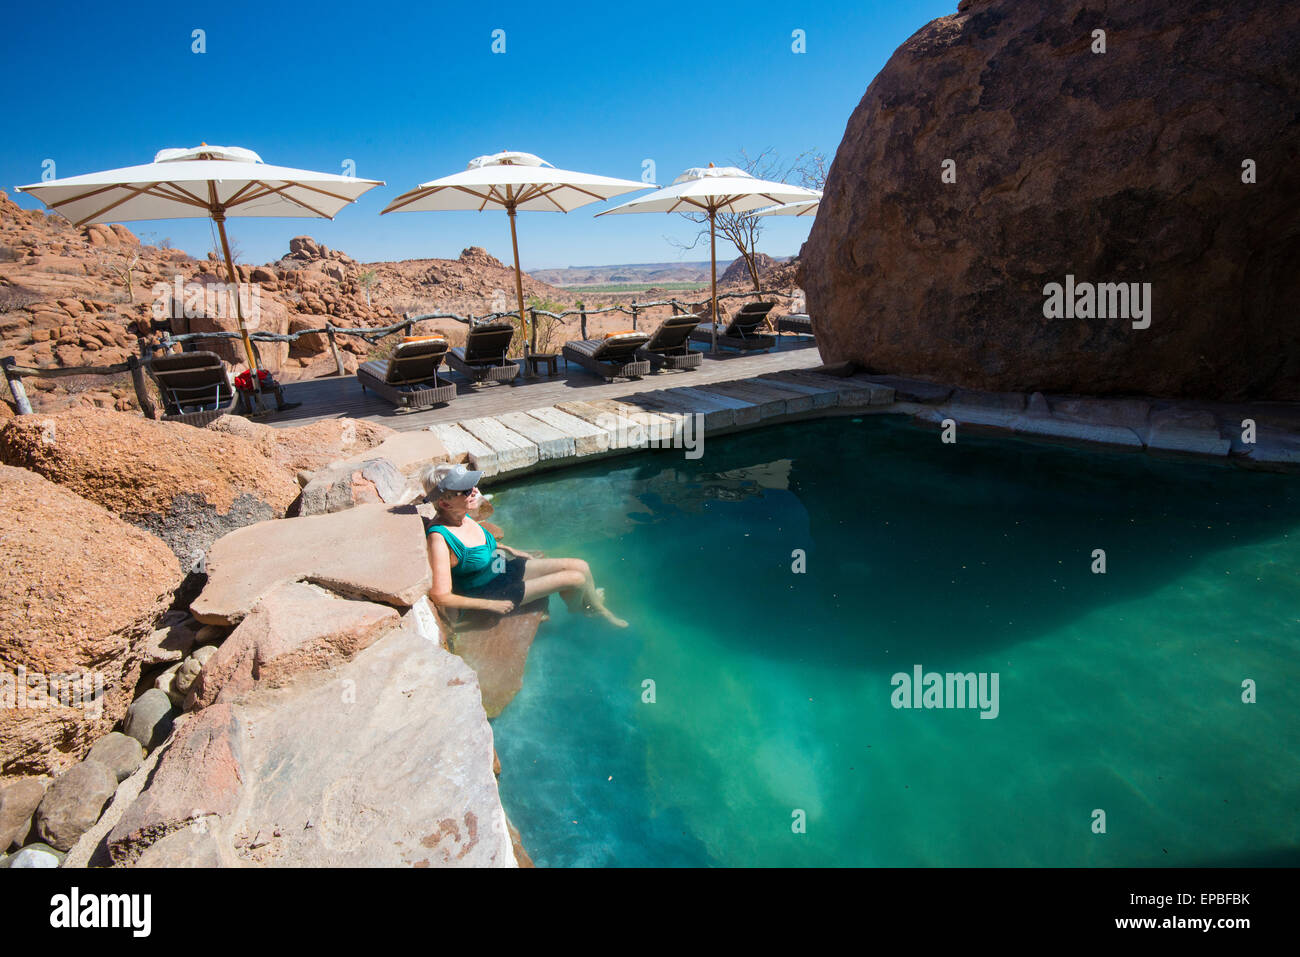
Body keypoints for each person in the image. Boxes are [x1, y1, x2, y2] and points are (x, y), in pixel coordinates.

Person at [421, 463, 627, 627]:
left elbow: (477, 546)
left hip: (500, 569)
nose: (475, 491)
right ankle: (579, 612)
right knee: (574, 579)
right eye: (465, 490)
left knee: (580, 565)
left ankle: (597, 608)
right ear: (445, 503)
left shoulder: (462, 515)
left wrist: (508, 548)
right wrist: (491, 605)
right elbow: (441, 596)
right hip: (489, 592)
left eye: (472, 485)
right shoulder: (440, 538)